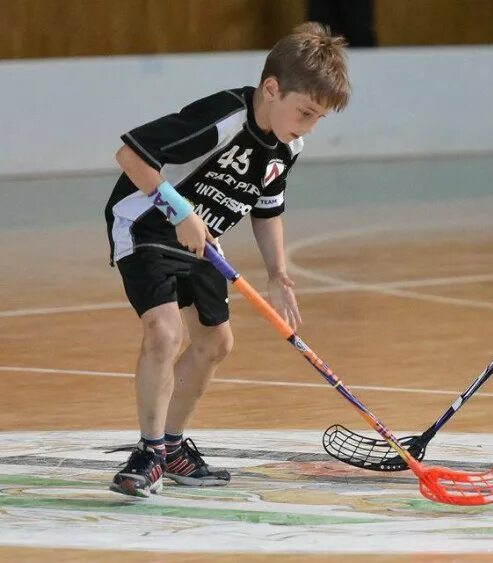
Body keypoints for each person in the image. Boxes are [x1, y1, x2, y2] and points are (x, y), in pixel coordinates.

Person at [104, 22, 351, 497]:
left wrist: (279, 274)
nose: (310, 126)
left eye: (319, 118)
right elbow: (130, 155)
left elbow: (267, 208)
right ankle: (149, 453)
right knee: (165, 332)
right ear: (271, 89)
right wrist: (180, 211)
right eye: (305, 112)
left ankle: (173, 447)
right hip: (147, 223)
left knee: (216, 343)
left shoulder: (289, 144)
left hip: (202, 242)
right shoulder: (224, 118)